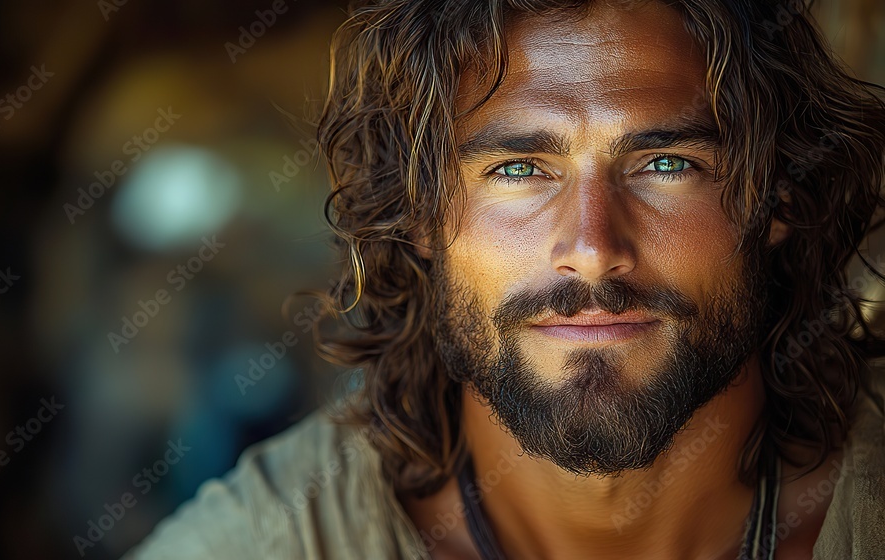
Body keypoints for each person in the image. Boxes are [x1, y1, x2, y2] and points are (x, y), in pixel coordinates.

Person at [126, 0, 885, 558]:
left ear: (778, 196)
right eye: (518, 169)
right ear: (419, 214)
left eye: (665, 164)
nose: (592, 250)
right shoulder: (271, 540)